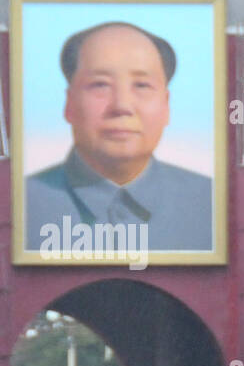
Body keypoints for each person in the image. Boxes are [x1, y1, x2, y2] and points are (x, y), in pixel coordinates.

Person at [25, 21, 213, 253]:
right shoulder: (21, 203)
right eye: (100, 85)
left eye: (142, 85)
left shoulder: (211, 204)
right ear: (69, 104)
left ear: (166, 106)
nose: (122, 106)